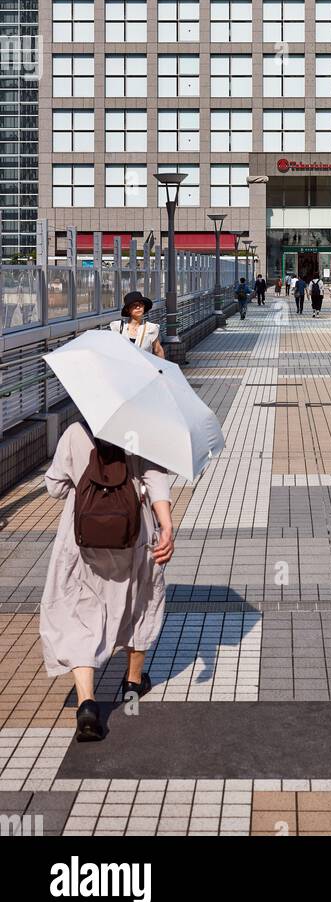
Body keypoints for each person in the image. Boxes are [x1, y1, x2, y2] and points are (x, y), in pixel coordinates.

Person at [39, 421, 174, 742]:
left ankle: (87, 702)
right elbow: (155, 480)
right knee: (140, 602)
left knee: (78, 613)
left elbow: (55, 487)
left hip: (81, 539)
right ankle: (132, 682)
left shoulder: (74, 432)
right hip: (133, 535)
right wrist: (166, 527)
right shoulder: (144, 431)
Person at [110, 291, 165, 358]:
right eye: (134, 305)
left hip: (144, 367)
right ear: (128, 309)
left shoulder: (151, 328)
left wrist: (163, 367)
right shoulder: (118, 327)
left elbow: (158, 350)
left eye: (141, 304)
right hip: (123, 366)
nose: (138, 307)